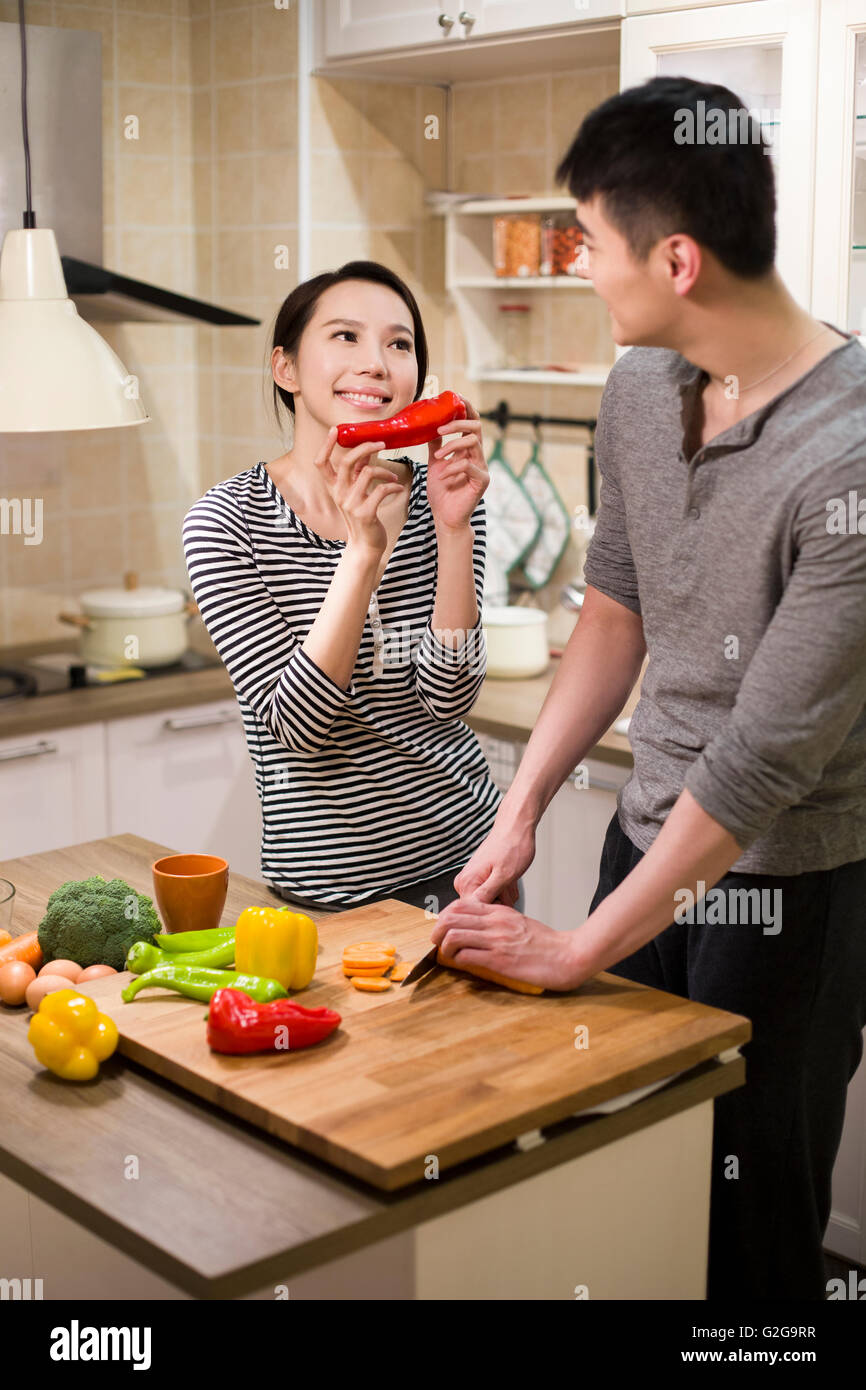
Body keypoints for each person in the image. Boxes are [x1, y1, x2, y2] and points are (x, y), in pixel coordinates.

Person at [432, 76, 866, 1300]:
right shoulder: (638, 388)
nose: (582, 269)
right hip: (645, 850)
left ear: (675, 259)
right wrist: (518, 810)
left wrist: (573, 951)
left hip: (788, 888)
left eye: (591, 245)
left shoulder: (849, 451)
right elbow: (611, 611)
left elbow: (762, 761)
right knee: (625, 1188)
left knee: (749, 1224)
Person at [182, 260, 524, 919]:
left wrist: (453, 530)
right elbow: (299, 728)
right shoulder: (226, 523)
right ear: (286, 369)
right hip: (330, 895)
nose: (376, 362)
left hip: (468, 866)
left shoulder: (445, 496)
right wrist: (362, 551)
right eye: (345, 337)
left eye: (399, 344)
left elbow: (449, 697)